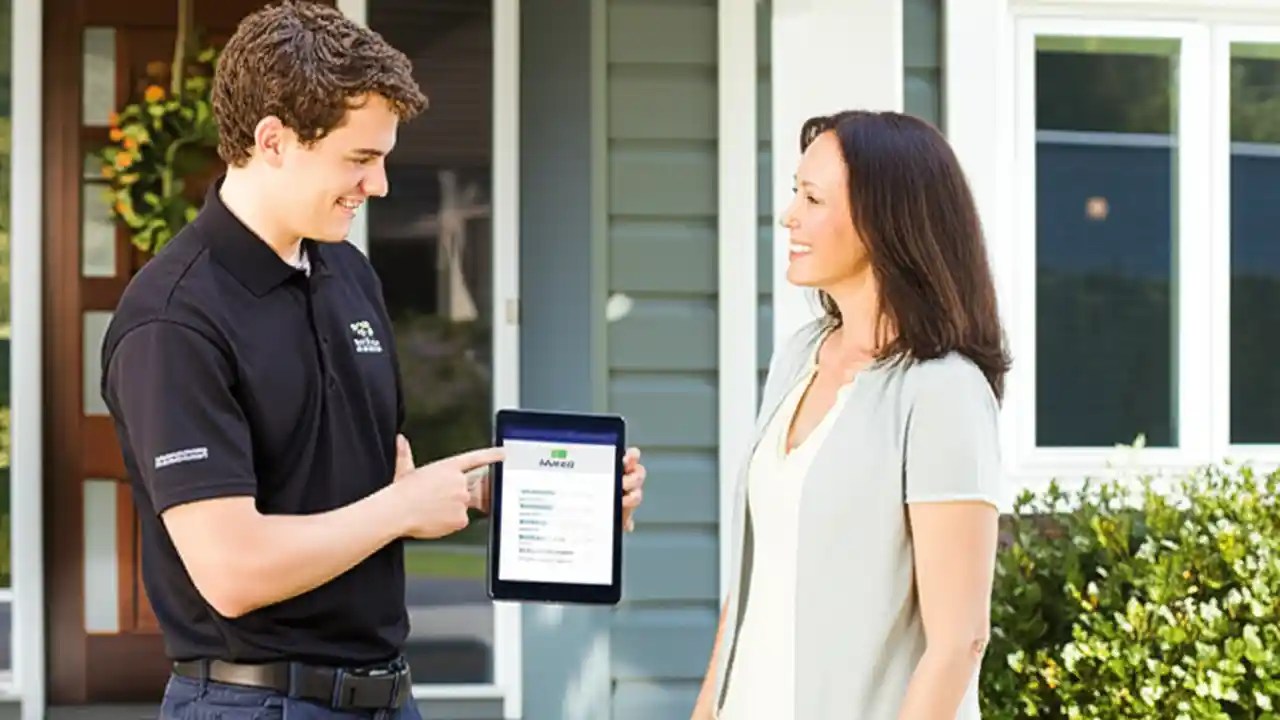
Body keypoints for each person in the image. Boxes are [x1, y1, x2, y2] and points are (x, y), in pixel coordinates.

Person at [99, 3, 647, 719]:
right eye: (360, 158)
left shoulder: (348, 274)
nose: (380, 184)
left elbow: (370, 492)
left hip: (386, 696)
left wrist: (522, 494)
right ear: (273, 141)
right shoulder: (174, 320)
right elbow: (231, 571)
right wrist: (397, 509)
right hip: (252, 704)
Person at [690, 110, 1008, 719]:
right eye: (795, 194)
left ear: (884, 222)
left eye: (812, 199)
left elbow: (958, 642)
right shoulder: (799, 355)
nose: (790, 216)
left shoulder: (942, 391)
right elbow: (755, 582)